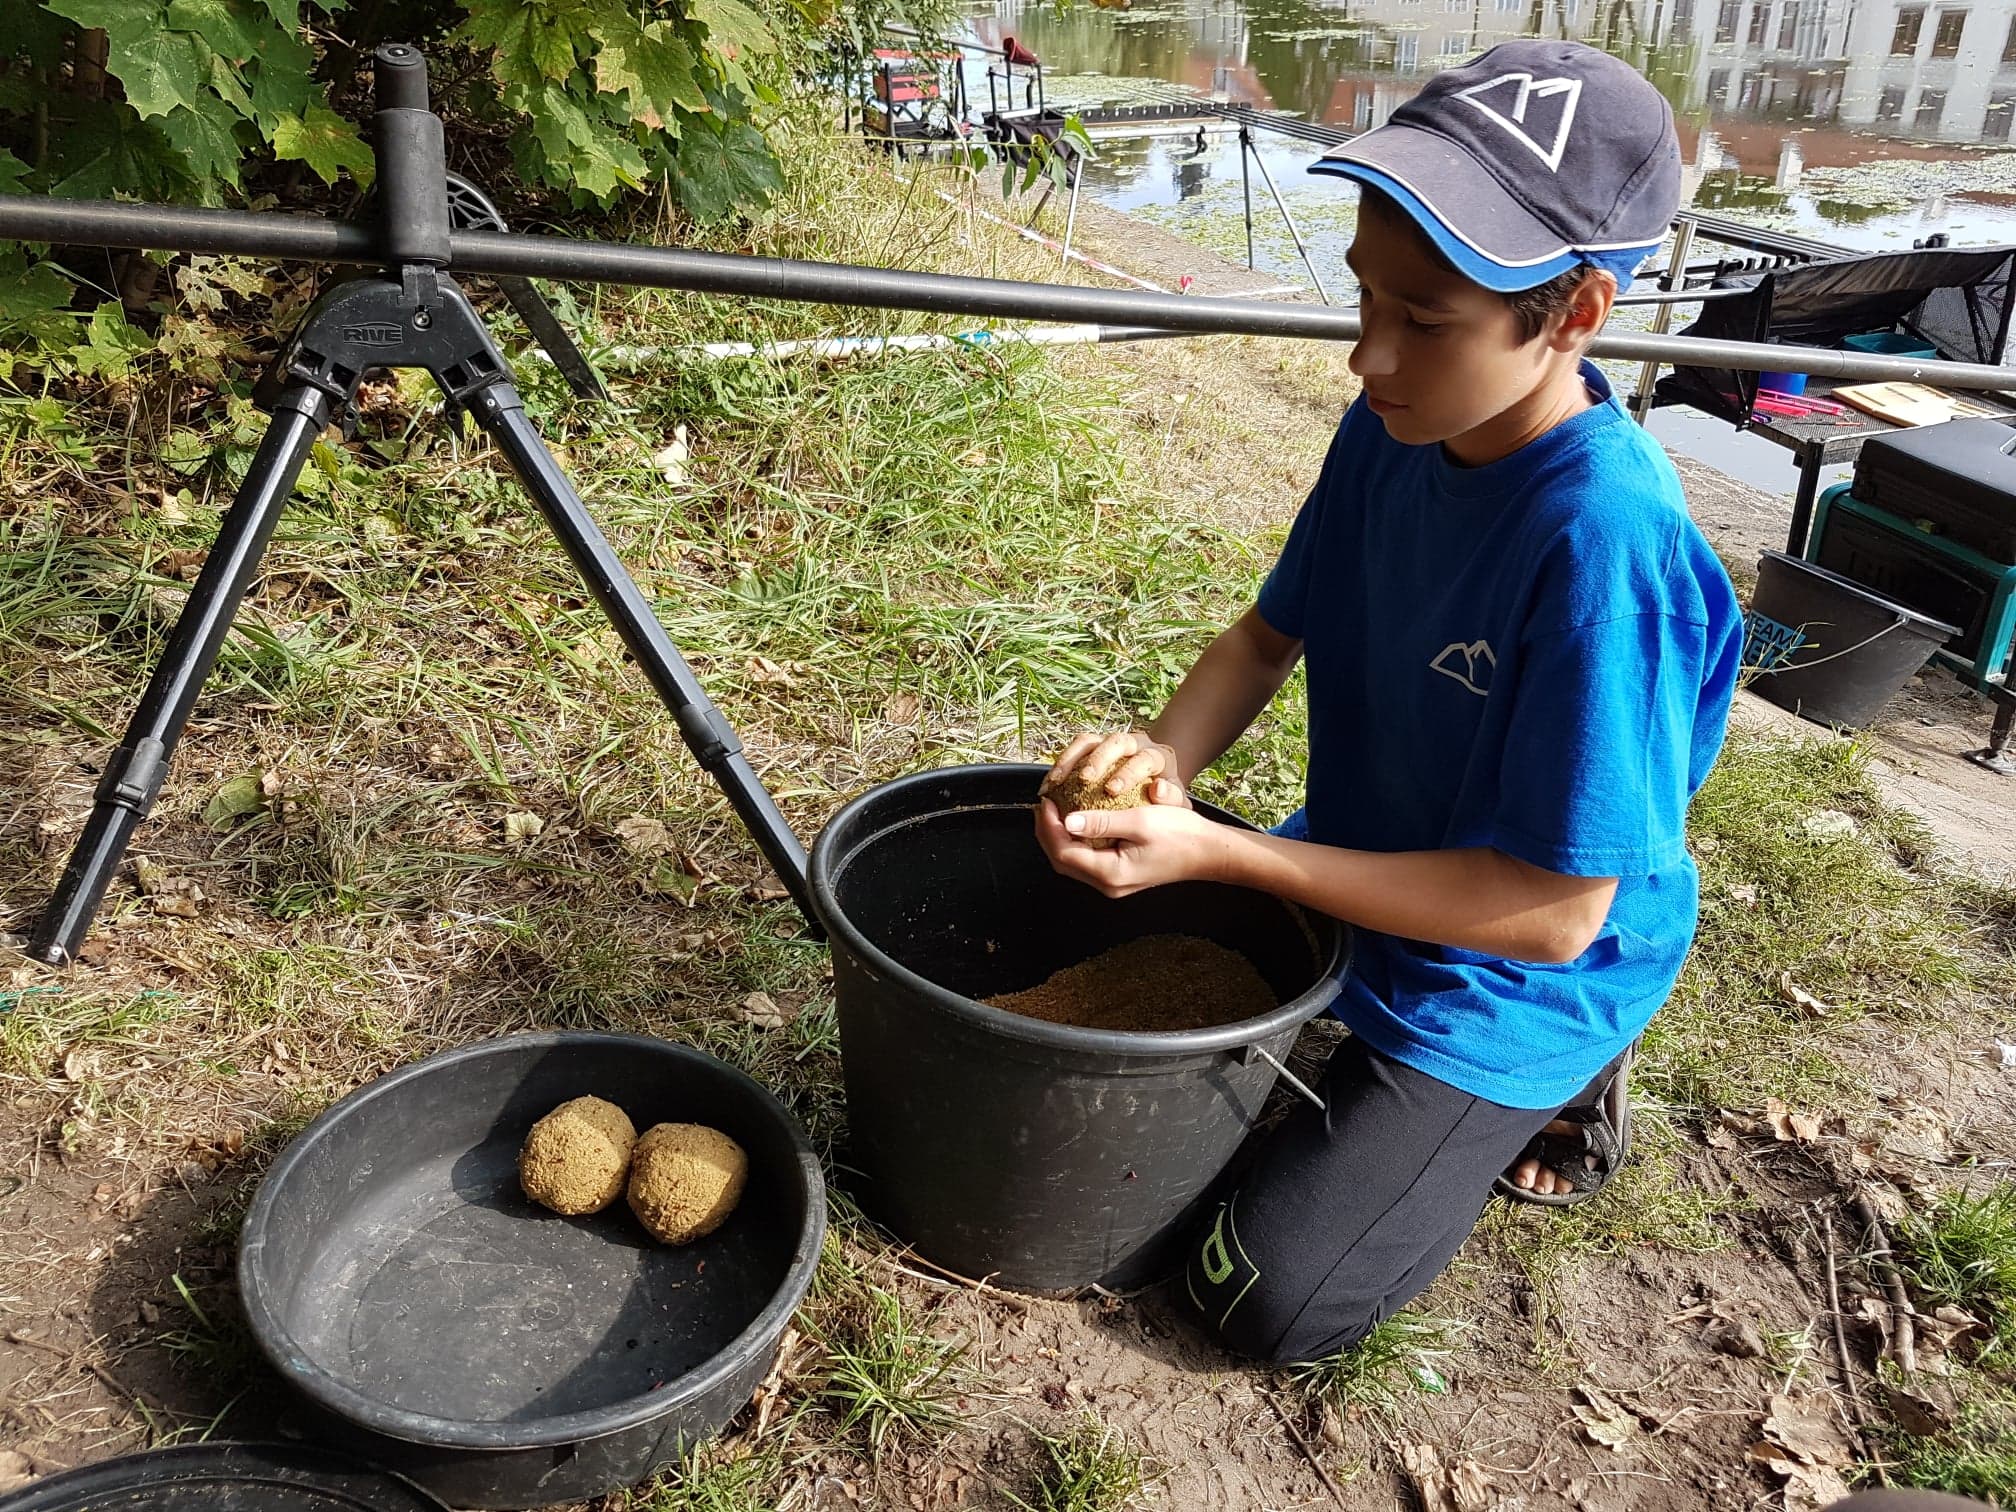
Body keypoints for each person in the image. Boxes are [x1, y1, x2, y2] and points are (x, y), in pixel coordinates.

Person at [1034, 40, 1745, 1365]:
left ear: (1576, 311)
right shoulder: (1395, 424)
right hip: (1354, 868)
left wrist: (1230, 855)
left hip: (1517, 966)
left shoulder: (1605, 553)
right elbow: (1262, 638)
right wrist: (1164, 764)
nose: (1369, 356)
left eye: (1423, 322)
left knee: (1261, 1294)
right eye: (1365, 296)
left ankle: (1573, 1081)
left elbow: (1550, 909)